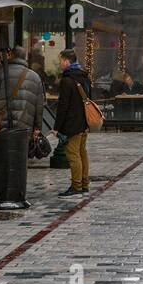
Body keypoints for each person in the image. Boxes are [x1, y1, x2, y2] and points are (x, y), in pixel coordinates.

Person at [0, 46, 44, 209]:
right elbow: (39, 105)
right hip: (23, 125)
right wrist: (37, 126)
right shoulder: (35, 77)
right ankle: (17, 193)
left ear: (11, 55)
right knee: (18, 160)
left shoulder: (2, 72)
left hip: (0, 124)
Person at [54, 49, 92, 196]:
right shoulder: (84, 77)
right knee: (82, 153)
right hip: (84, 122)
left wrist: (57, 127)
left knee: (73, 154)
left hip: (72, 124)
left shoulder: (67, 80)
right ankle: (84, 183)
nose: (59, 63)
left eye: (60, 60)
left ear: (66, 61)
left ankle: (76, 186)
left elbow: (63, 106)